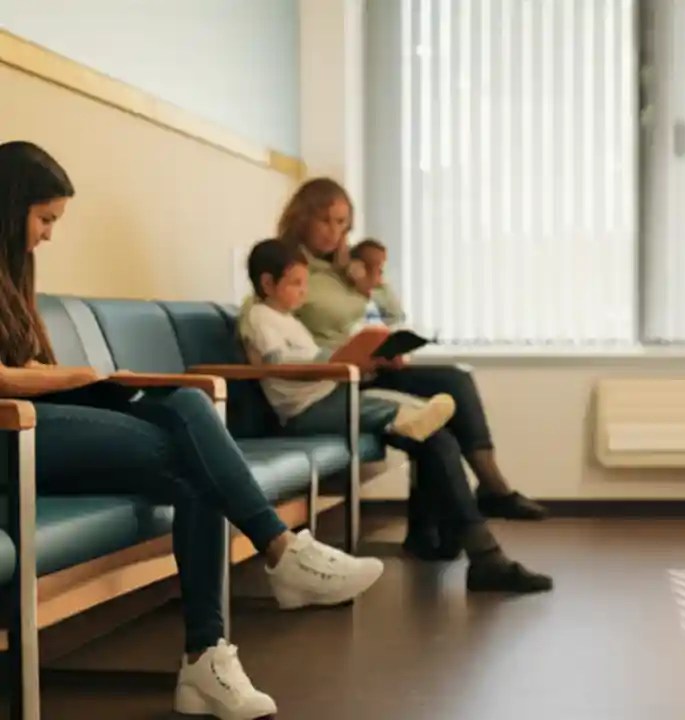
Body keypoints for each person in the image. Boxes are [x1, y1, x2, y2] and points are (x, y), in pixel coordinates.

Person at [0, 141, 386, 720]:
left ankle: (212, 652)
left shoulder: (12, 274)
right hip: (16, 432)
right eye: (45, 219)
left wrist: (85, 378)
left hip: (46, 416)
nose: (49, 235)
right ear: (9, 208)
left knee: (183, 402)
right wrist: (72, 377)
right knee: (194, 459)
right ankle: (276, 563)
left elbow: (23, 363)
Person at [238, 239, 551, 592]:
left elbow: (312, 355)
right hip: (304, 411)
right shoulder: (261, 317)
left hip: (329, 392)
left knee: (438, 436)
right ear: (267, 284)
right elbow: (279, 363)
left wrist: (361, 359)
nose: (304, 292)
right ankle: (480, 552)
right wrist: (336, 360)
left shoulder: (287, 319)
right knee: (427, 429)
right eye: (296, 283)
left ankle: (464, 547)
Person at [278, 179, 550, 528]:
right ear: (303, 218)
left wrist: (371, 279)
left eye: (343, 223)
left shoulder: (343, 271)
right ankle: (478, 505)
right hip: (334, 379)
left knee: (456, 379)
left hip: (369, 367)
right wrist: (344, 354)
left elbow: (394, 315)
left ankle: (489, 487)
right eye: (326, 221)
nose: (335, 232)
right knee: (436, 421)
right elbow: (286, 333)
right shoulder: (293, 271)